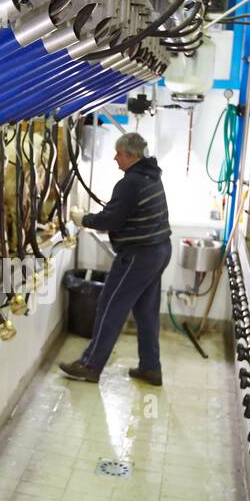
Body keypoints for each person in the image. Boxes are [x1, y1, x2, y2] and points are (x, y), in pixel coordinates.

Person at [59, 132, 172, 385]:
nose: (114, 158)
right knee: (146, 313)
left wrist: (83, 219)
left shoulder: (130, 182)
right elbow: (122, 211)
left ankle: (90, 365)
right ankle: (151, 368)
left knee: (110, 307)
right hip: (160, 249)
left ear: (131, 156)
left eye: (118, 153)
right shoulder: (151, 175)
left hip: (138, 255)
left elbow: (111, 220)